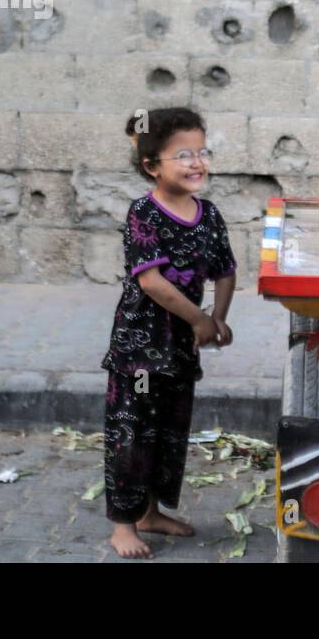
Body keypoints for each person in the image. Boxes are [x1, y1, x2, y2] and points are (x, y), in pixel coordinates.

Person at [102, 106, 235, 559]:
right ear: (151, 166)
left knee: (169, 431)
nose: (197, 162)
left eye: (202, 151)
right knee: (132, 431)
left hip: (180, 348)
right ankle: (123, 525)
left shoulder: (209, 214)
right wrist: (199, 319)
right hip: (139, 347)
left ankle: (150, 512)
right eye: (182, 154)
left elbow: (226, 271)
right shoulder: (143, 214)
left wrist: (218, 317)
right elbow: (151, 282)